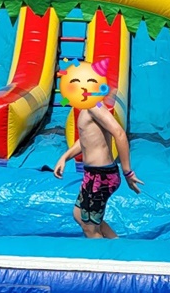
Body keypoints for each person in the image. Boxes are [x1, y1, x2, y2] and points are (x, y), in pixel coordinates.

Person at [53, 99, 141, 238]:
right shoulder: (87, 106)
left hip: (101, 176)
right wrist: (64, 157)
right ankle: (117, 244)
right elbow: (85, 139)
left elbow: (119, 134)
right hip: (92, 175)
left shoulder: (95, 106)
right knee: (79, 215)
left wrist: (127, 172)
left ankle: (104, 258)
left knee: (90, 228)